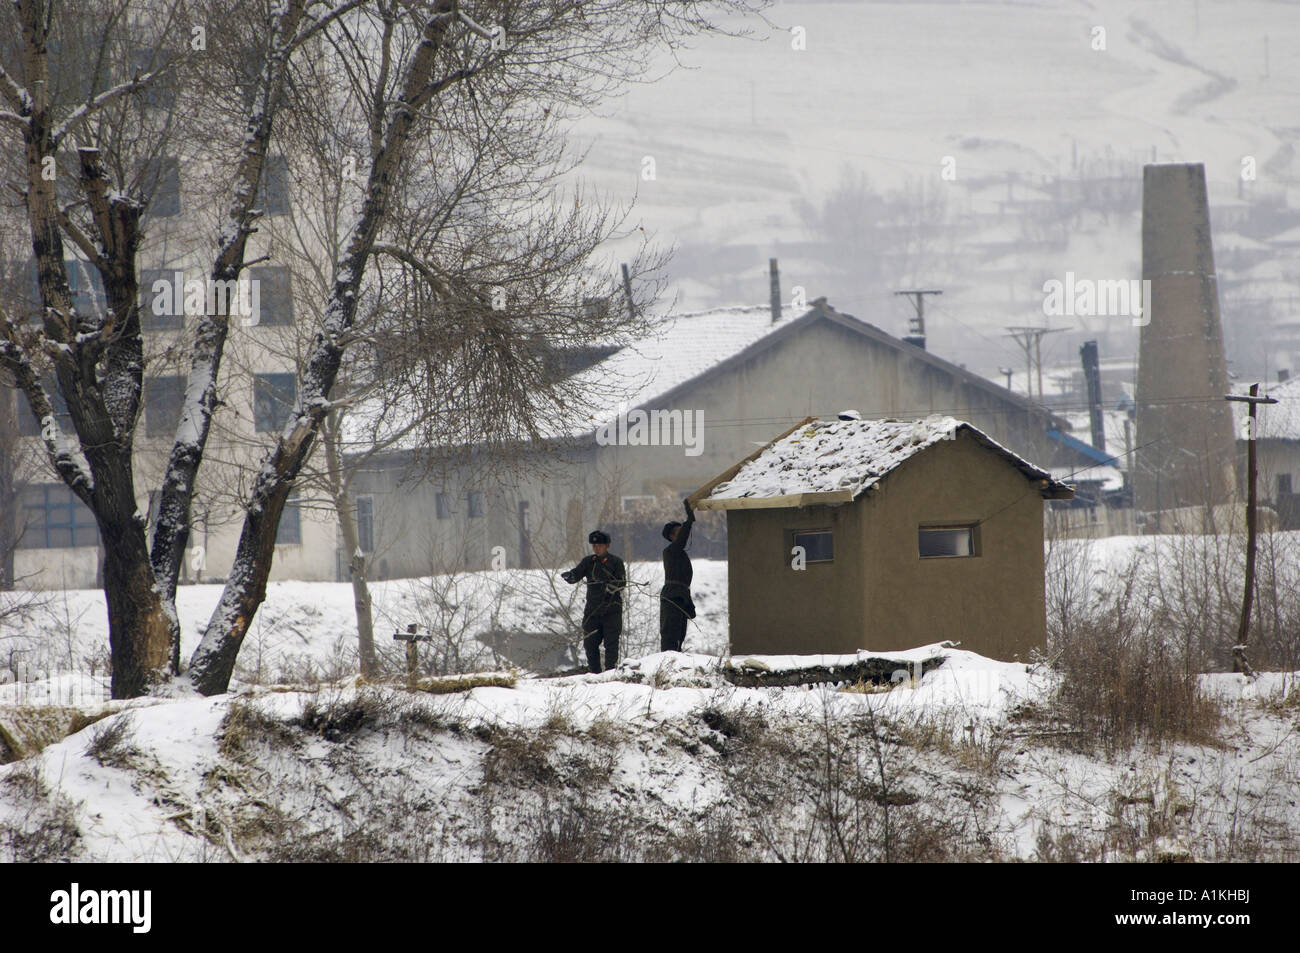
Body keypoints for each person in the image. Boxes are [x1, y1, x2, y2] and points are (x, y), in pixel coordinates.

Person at [560, 530, 626, 674]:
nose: (596, 548)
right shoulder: (588, 562)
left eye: (600, 545)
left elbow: (621, 582)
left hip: (611, 610)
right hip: (592, 611)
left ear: (607, 545)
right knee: (590, 644)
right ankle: (595, 674)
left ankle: (610, 674)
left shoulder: (616, 562)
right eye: (594, 545)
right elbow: (576, 574)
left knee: (611, 645)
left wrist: (610, 587)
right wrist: (570, 576)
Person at [659, 498, 696, 652]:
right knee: (670, 638)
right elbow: (681, 540)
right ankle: (666, 666)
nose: (683, 535)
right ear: (672, 536)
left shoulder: (679, 553)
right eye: (679, 533)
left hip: (680, 597)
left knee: (680, 636)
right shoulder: (671, 551)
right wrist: (689, 520)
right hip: (672, 598)